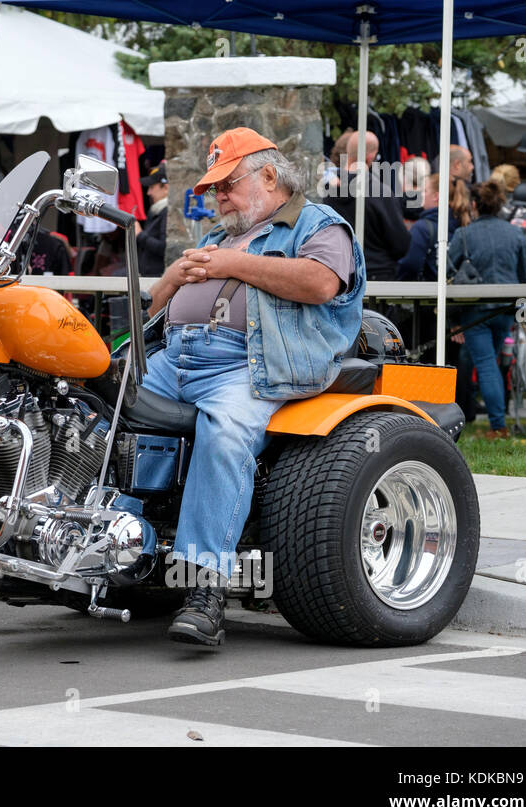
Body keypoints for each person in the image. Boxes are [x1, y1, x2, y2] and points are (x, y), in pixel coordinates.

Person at [145, 127, 364, 647]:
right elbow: (152, 310)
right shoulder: (214, 238)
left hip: (247, 365)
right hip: (175, 357)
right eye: (214, 188)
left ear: (269, 175)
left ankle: (203, 588)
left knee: (225, 437)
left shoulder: (317, 224)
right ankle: (111, 550)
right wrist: (173, 278)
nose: (218, 197)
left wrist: (231, 264)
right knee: (104, 419)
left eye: (227, 184)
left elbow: (319, 283)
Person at [447, 180, 526, 439]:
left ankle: (498, 426)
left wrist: (453, 319)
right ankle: (497, 420)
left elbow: (448, 274)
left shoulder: (463, 235)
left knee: (486, 364)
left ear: (474, 205)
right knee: (492, 364)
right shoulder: (515, 234)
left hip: (475, 310)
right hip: (506, 310)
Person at [320, 130, 408, 280]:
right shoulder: (381, 192)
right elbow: (401, 244)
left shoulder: (324, 190)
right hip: (377, 275)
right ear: (371, 156)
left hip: (338, 276)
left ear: (348, 151)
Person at [396, 173, 470, 281]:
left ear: (436, 196)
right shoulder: (464, 224)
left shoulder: (422, 228)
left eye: (425, 191)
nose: (421, 195)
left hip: (428, 291)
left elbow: (410, 265)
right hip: (458, 291)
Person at [136, 163, 169, 276]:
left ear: (165, 188)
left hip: (156, 279)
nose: (148, 192)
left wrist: (139, 234)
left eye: (152, 187)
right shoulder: (157, 210)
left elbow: (164, 248)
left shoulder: (167, 212)